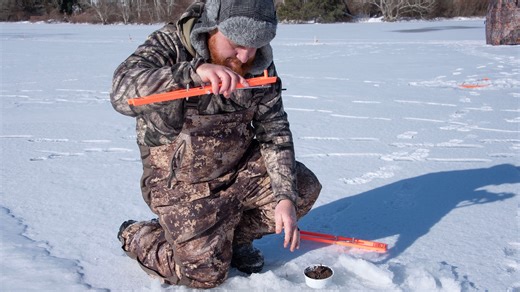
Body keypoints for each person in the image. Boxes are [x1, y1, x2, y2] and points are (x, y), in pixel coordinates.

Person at [110, 0, 321, 288]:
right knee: (204, 274)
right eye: (236, 43)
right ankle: (138, 235)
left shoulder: (257, 63)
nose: (245, 55)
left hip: (238, 172)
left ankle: (235, 240)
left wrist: (284, 196)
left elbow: (275, 131)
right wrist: (190, 74)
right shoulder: (169, 44)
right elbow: (121, 91)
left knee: (301, 189)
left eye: (255, 45)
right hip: (181, 185)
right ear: (211, 28)